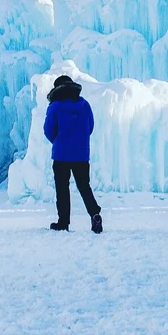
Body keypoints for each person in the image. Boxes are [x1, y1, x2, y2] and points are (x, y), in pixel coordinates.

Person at [43, 74, 102, 233]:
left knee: (62, 188)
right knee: (84, 186)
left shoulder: (55, 106)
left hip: (61, 155)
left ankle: (63, 222)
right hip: (82, 155)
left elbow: (48, 130)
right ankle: (94, 214)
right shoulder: (85, 105)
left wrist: (59, 140)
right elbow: (90, 126)